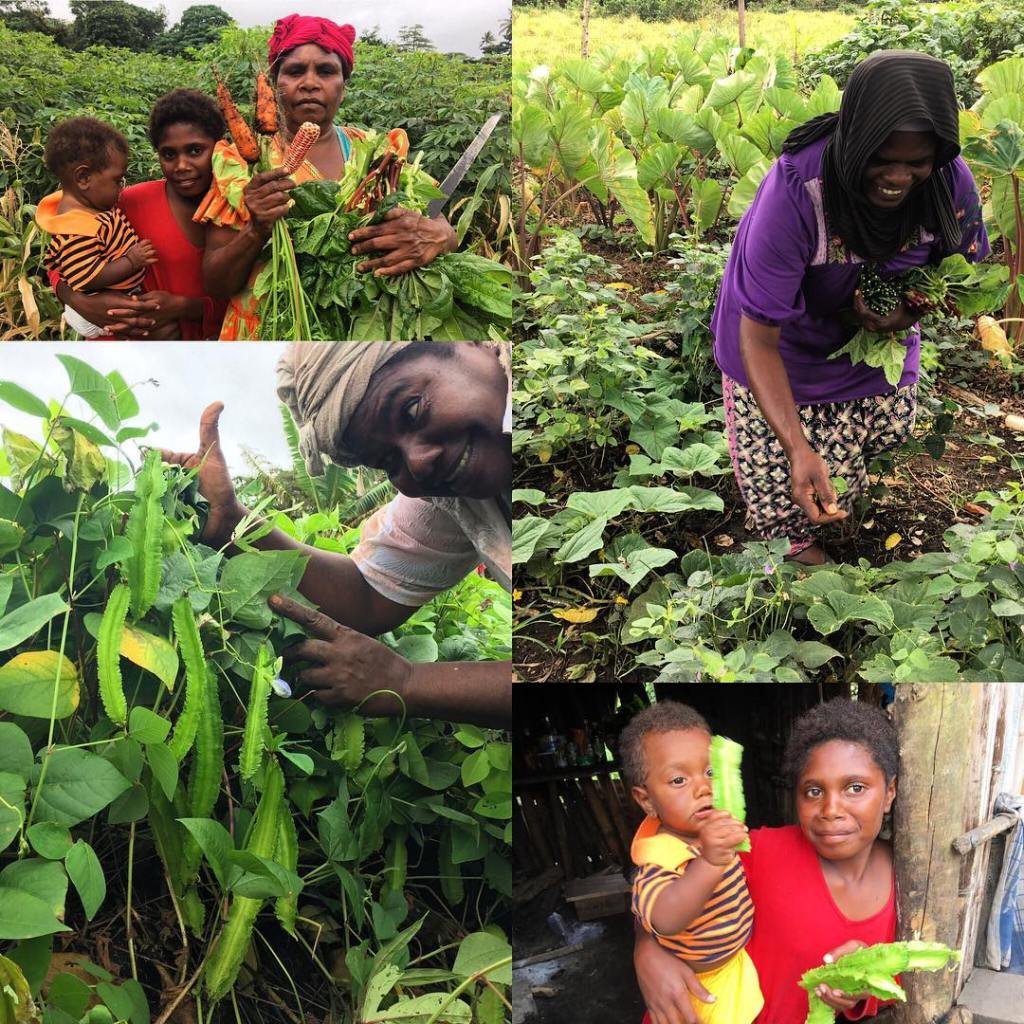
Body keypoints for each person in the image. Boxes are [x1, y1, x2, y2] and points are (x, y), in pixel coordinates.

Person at [710, 50, 989, 565]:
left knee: (870, 443)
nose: (898, 176)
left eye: (917, 162)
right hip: (780, 350)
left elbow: (957, 278)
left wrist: (905, 315)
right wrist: (796, 447)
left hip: (867, 347)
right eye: (880, 158)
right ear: (855, 139)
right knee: (786, 493)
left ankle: (841, 520)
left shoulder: (949, 183)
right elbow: (759, 338)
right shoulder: (798, 190)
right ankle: (806, 564)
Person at [161, 341, 511, 727]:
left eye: (412, 410)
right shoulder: (448, 491)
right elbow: (368, 595)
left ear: (470, 345)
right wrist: (231, 522)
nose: (418, 462)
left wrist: (407, 682)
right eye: (388, 462)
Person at [634, 698, 900, 1024]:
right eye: (813, 791)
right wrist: (646, 951)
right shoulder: (758, 851)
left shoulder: (910, 886)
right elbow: (658, 893)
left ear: (889, 792)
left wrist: (860, 990)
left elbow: (896, 987)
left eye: (855, 788)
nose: (831, 810)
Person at [199, 14, 458, 339]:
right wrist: (256, 229)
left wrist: (438, 236)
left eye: (325, 71)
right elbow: (215, 283)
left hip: (358, 331)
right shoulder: (241, 162)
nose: (309, 83)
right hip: (267, 329)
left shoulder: (376, 152)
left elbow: (443, 226)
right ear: (275, 86)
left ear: (343, 88)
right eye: (295, 71)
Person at [619, 702, 762, 1024]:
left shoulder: (715, 835)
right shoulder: (659, 858)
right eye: (678, 780)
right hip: (699, 989)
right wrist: (710, 862)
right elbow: (665, 920)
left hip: (737, 966)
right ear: (646, 800)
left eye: (710, 772)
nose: (703, 788)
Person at [53, 90, 230, 340]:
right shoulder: (127, 202)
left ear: (221, 148)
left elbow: (248, 302)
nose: (181, 166)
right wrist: (80, 301)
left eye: (195, 151)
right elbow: (64, 255)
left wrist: (183, 307)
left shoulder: (240, 212)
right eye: (169, 154)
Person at [35, 117, 158, 338]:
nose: (121, 188)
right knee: (160, 330)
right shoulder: (77, 229)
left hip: (116, 295)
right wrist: (131, 261)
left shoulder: (92, 207)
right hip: (95, 311)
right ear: (83, 178)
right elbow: (87, 277)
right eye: (117, 180)